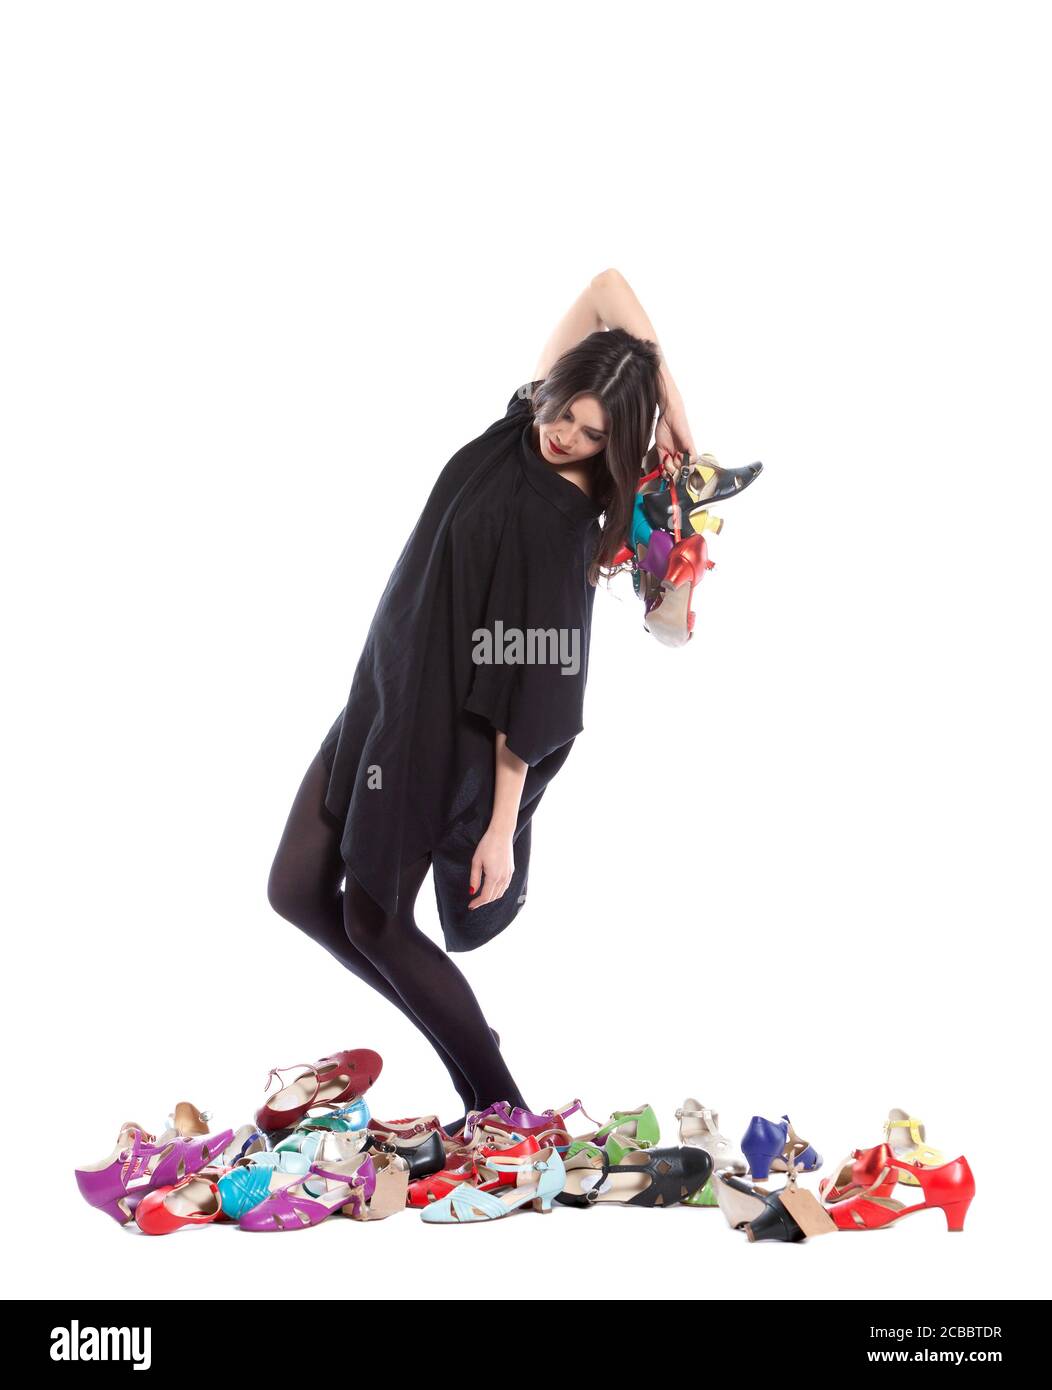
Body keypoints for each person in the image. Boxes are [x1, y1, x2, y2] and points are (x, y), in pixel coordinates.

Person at [266, 268, 697, 1133]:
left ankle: (502, 1107)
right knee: (297, 889)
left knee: (374, 922)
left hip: (440, 734)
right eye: (564, 410)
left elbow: (536, 685)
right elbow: (607, 287)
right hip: (384, 692)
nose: (564, 435)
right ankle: (464, 1035)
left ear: (613, 449)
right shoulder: (521, 425)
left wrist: (501, 827)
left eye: (589, 433)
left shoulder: (561, 523)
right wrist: (677, 413)